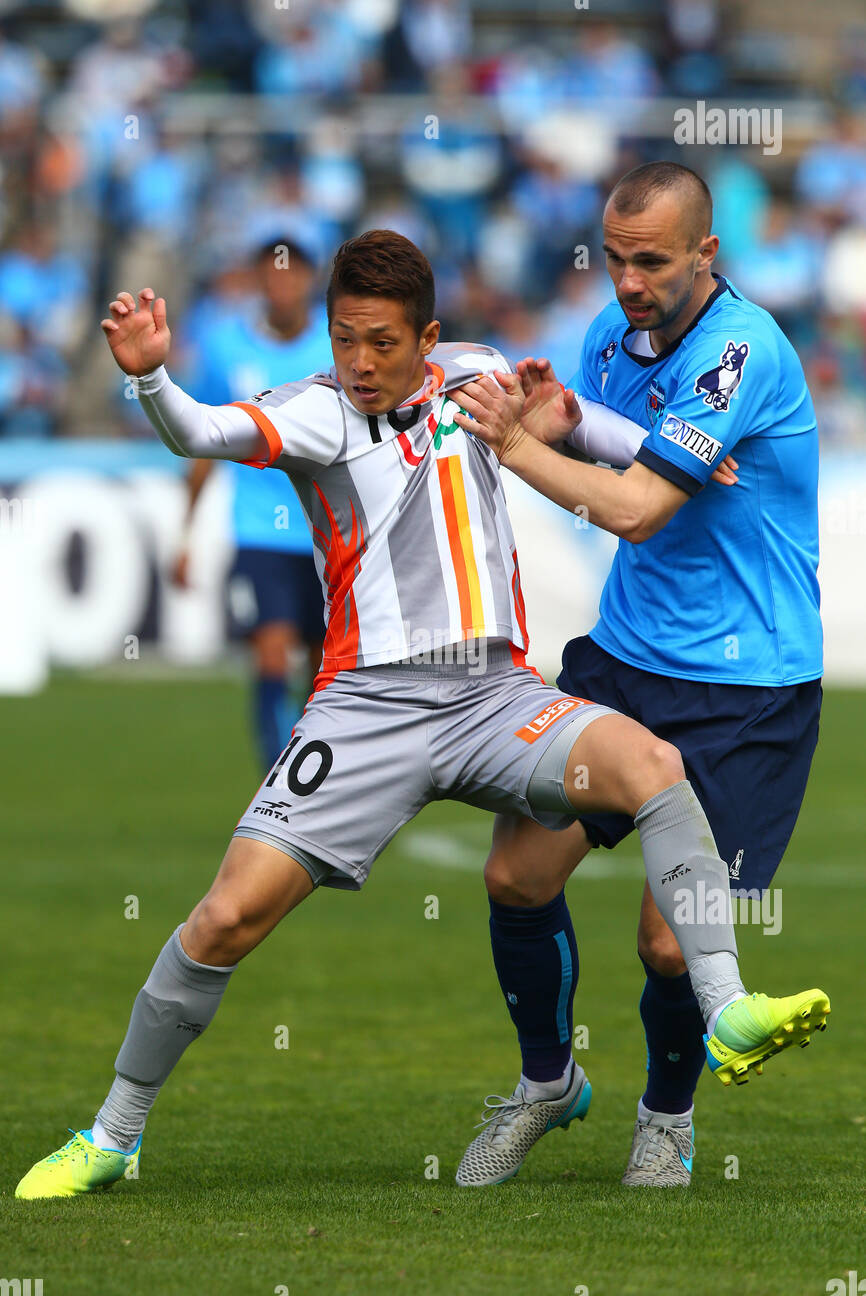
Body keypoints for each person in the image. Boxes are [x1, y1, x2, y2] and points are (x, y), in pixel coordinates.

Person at [16, 229, 826, 1200]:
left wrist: (543, 410)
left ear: (427, 337)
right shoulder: (313, 412)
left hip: (494, 695)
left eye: (382, 343)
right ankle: (113, 1132)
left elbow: (573, 430)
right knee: (225, 917)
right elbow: (204, 432)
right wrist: (151, 381)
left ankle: (725, 1004)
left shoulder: (476, 373)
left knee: (653, 767)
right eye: (343, 337)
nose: (358, 362)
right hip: (366, 710)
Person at [447, 163, 828, 1189]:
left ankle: (663, 1115)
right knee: (512, 877)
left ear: (706, 253)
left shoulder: (737, 352)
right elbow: (623, 446)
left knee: (669, 945)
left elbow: (633, 507)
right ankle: (545, 1082)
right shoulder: (608, 338)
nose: (625, 280)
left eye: (649, 261)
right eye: (613, 258)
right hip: (622, 661)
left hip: (746, 697)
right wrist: (561, 414)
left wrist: (516, 445)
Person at [172, 225, 330, 770]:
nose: (281, 287)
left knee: (321, 663)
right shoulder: (225, 347)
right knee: (270, 650)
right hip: (259, 530)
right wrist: (185, 535)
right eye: (271, 275)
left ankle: (315, 771)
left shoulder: (333, 348)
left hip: (326, 532)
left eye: (291, 275)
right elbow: (203, 440)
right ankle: (274, 778)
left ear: (309, 280)